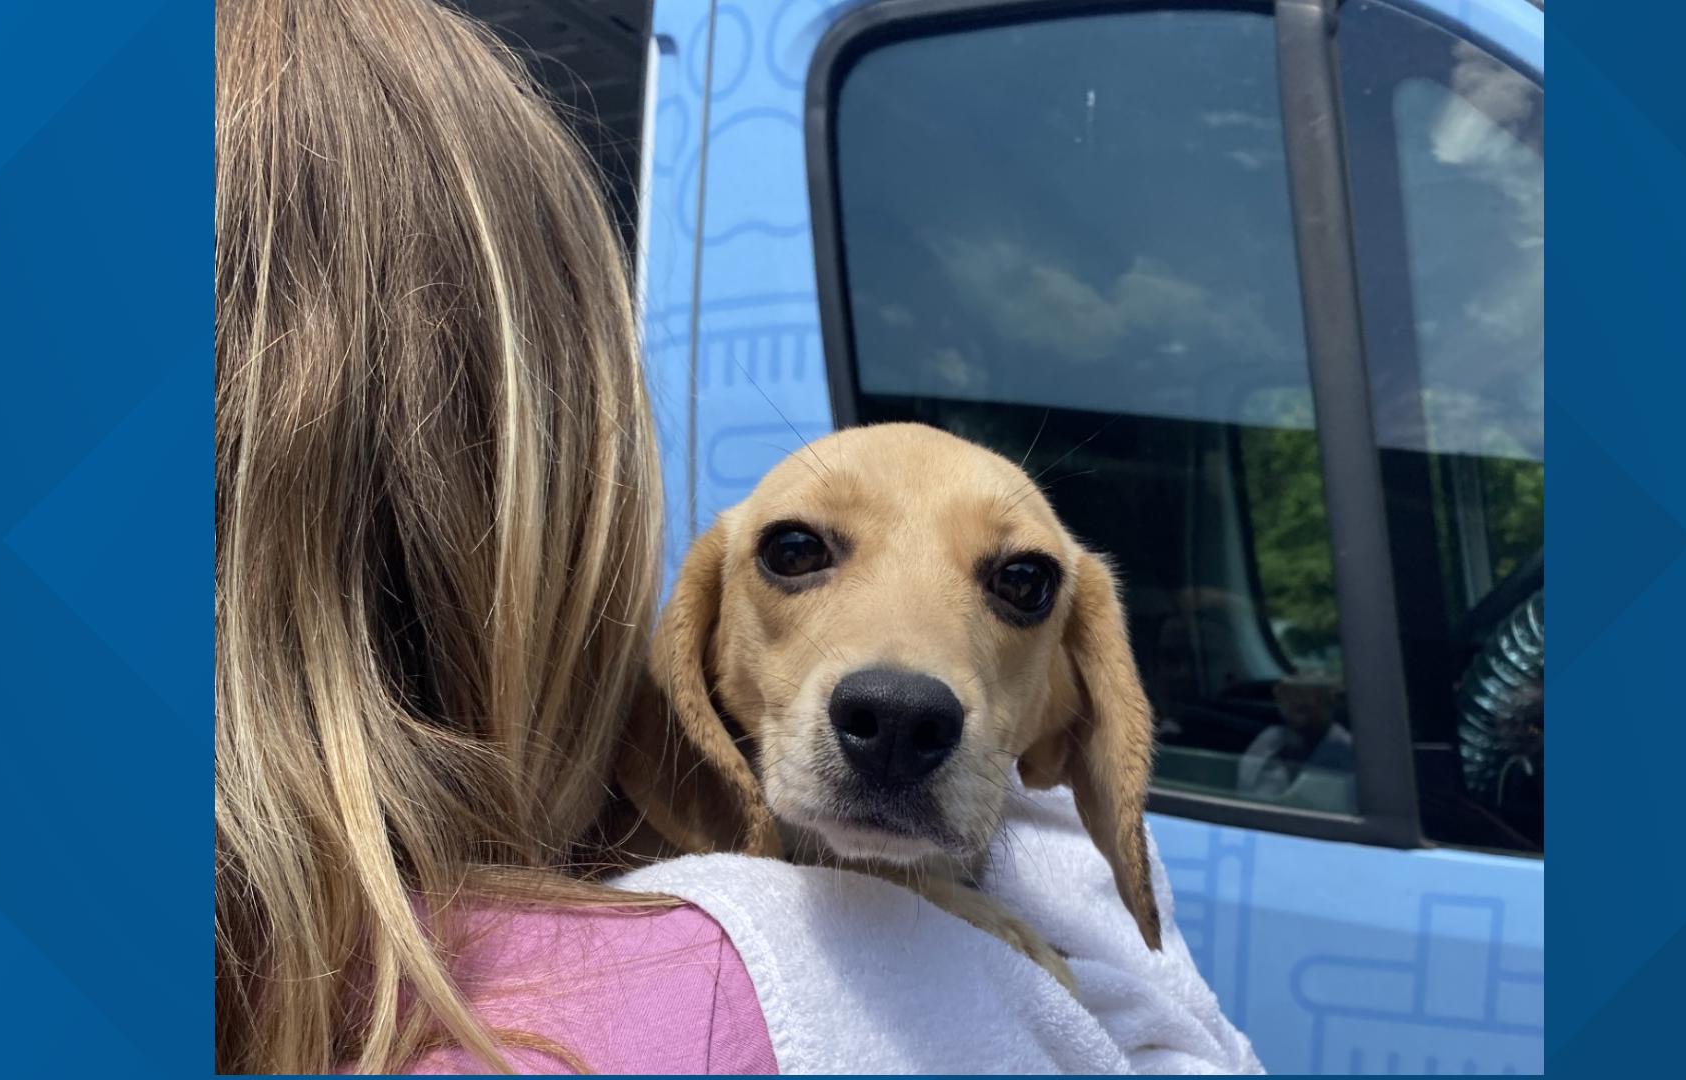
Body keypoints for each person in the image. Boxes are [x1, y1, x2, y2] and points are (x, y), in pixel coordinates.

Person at [215, 0, 1257, 1073]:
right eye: (799, 554)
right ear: (693, 654)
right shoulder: (741, 1004)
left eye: (1017, 585)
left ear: (1076, 713)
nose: (899, 683)